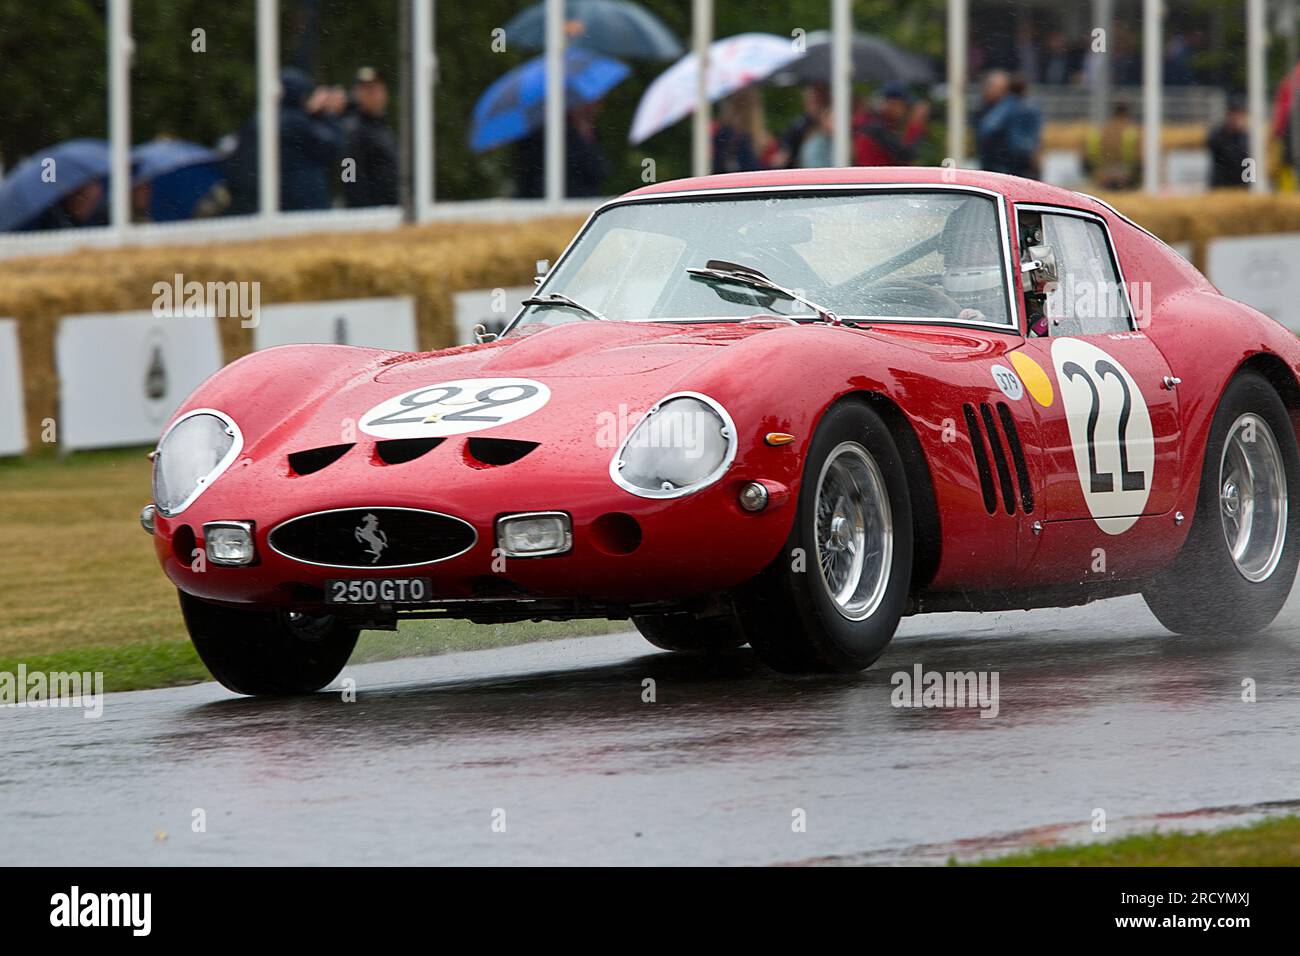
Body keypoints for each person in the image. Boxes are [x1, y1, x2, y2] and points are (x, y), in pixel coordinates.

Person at [224, 68, 345, 214]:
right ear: (301, 96)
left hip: (258, 207)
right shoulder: (297, 123)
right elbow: (333, 146)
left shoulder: (258, 120)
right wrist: (329, 113)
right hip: (298, 210)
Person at [513, 101, 607, 198]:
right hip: (551, 203)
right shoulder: (545, 136)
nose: (597, 108)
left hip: (581, 202)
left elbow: (598, 172)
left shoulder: (590, 133)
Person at [342, 67, 399, 207]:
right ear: (356, 94)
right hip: (371, 217)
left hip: (391, 213)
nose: (375, 94)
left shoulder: (383, 128)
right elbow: (349, 179)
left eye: (378, 89)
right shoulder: (353, 130)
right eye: (368, 90)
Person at [976, 71, 1040, 178]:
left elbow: (988, 128)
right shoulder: (1028, 106)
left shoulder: (1008, 106)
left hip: (1006, 161)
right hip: (1014, 160)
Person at [854, 83, 930, 167]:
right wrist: (916, 124)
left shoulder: (875, 123)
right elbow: (907, 155)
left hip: (874, 177)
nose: (905, 111)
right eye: (903, 106)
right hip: (875, 178)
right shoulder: (875, 128)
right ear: (891, 104)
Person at [1084, 99, 1141, 190]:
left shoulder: (1101, 130)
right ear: (1128, 112)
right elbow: (1139, 158)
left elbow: (1087, 155)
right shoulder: (1132, 131)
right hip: (1125, 176)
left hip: (1102, 175)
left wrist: (1097, 171)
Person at [22, 180, 107, 230]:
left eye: (92, 199)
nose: (89, 202)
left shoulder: (103, 216)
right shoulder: (47, 221)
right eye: (84, 197)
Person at [1207, 96, 1251, 189]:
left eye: (1240, 114)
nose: (1237, 118)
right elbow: (1213, 145)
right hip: (1221, 186)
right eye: (1234, 114)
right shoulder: (1219, 133)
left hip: (1242, 187)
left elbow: (1248, 163)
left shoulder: (1247, 137)